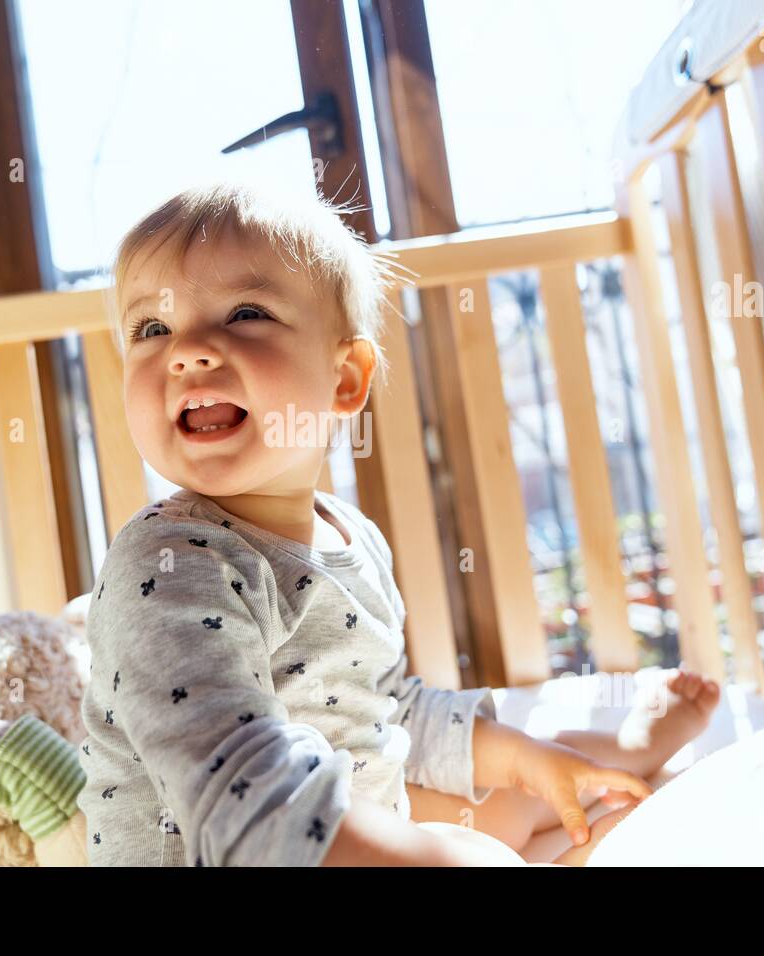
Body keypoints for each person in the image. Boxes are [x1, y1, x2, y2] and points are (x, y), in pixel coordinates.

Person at [76, 179, 719, 866]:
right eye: (153, 329)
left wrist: (525, 760)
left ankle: (606, 753)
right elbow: (244, 798)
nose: (187, 352)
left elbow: (388, 709)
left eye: (243, 314)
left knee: (524, 788)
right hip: (255, 849)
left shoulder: (351, 538)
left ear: (346, 380)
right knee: (476, 846)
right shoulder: (169, 567)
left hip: (354, 813)